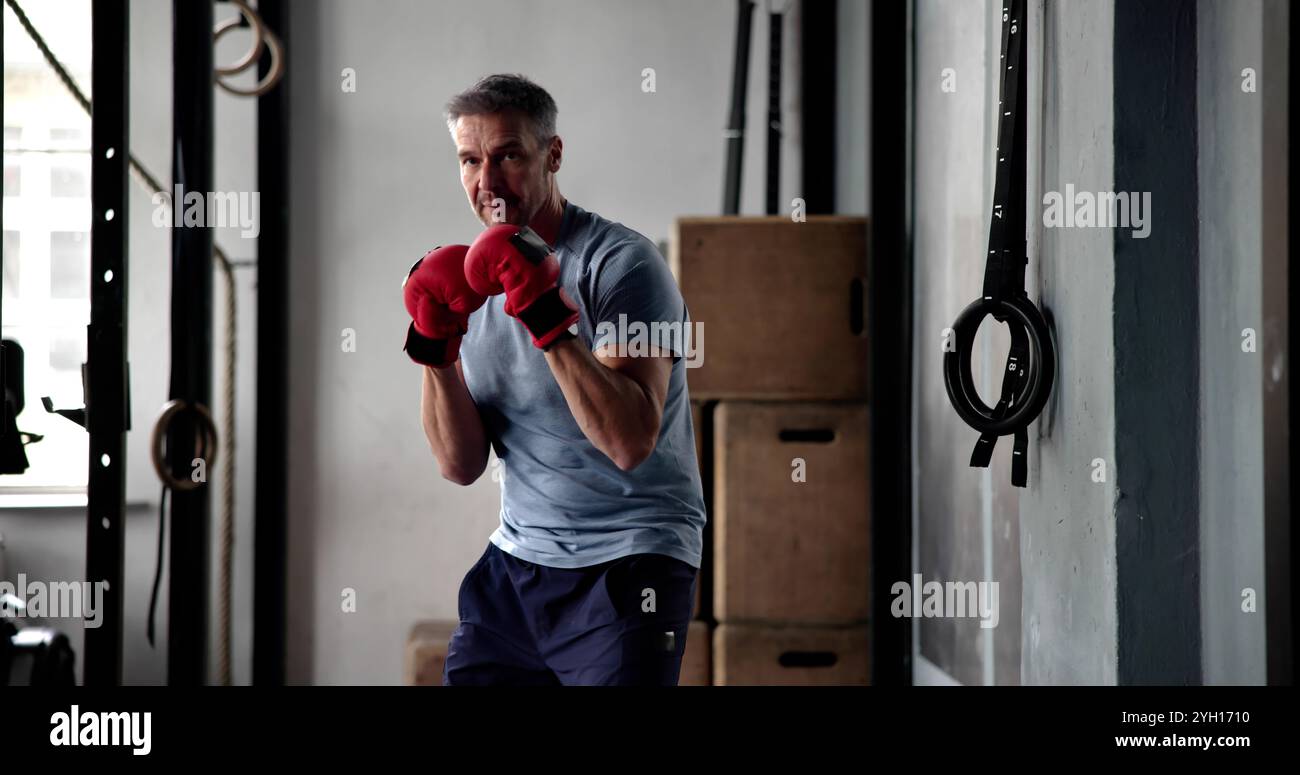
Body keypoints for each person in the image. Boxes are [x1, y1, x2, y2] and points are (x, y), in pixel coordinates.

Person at [401, 73, 705, 685]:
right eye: (469, 160)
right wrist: (434, 348)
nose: (487, 182)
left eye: (508, 155)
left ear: (553, 154)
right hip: (518, 566)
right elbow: (459, 465)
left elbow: (629, 440)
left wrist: (546, 316)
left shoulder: (623, 266)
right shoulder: (472, 279)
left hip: (629, 563)